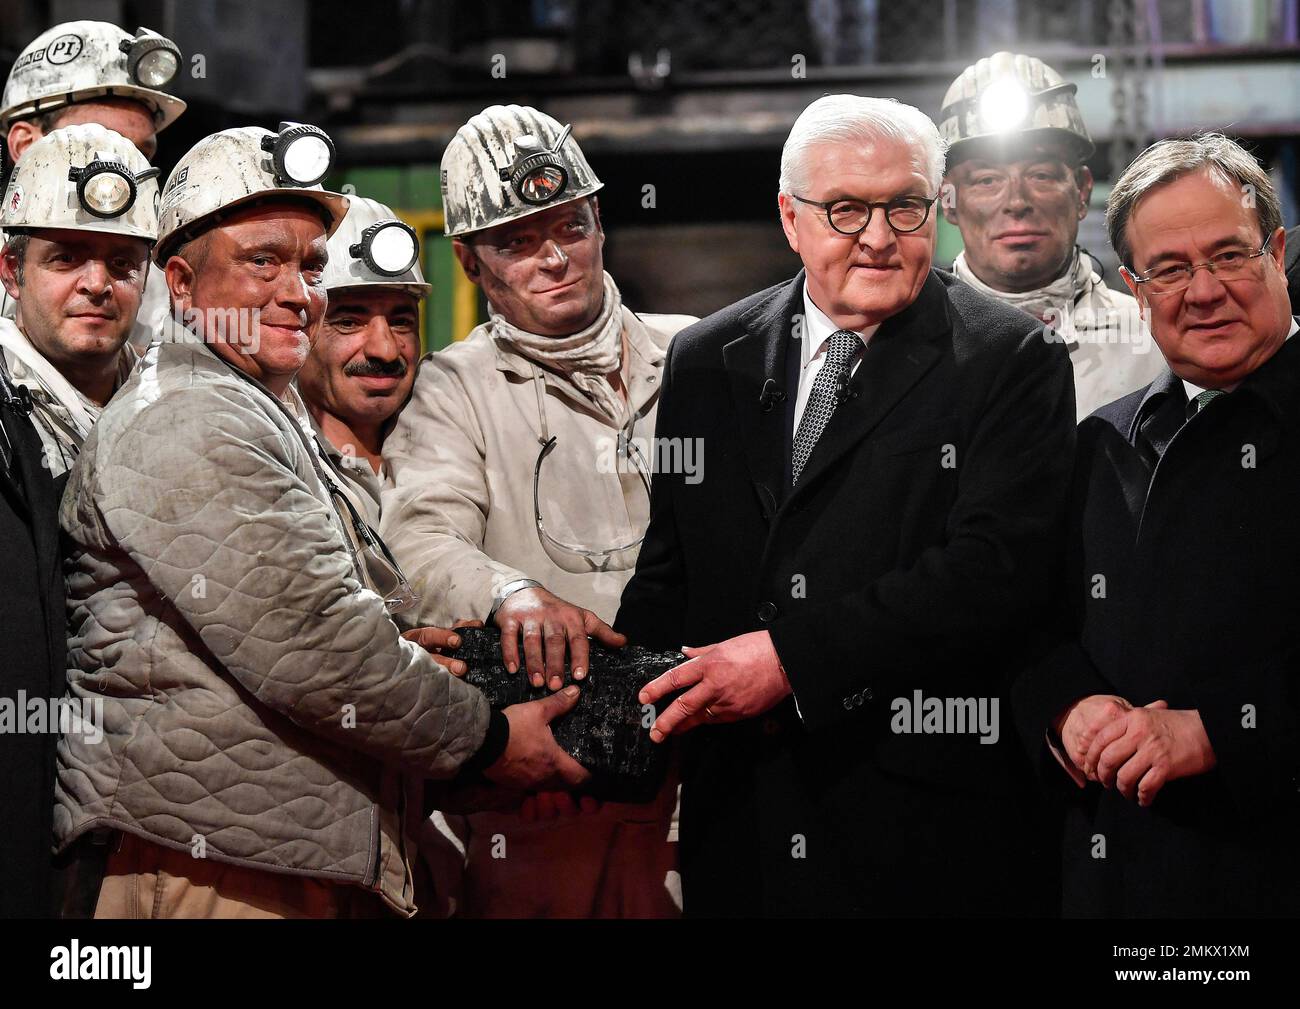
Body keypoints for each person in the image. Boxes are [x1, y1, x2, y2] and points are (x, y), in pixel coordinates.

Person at [54, 123, 591, 919]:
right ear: (182, 282)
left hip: (261, 859)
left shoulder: (251, 407)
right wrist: (489, 740)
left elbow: (314, 622)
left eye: (308, 266)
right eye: (262, 261)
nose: (296, 291)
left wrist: (404, 647)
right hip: (213, 873)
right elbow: (315, 644)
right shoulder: (189, 415)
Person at [615, 94, 1076, 917]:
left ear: (933, 210)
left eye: (902, 206)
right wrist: (603, 732)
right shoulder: (702, 357)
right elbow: (668, 576)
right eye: (845, 209)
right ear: (790, 218)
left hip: (925, 836)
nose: (876, 236)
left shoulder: (1013, 359)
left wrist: (788, 659)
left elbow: (993, 573)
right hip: (740, 826)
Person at [381, 104, 695, 917]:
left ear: (600, 221)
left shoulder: (699, 353)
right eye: (517, 242)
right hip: (543, 797)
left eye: (570, 227)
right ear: (470, 263)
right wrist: (509, 591)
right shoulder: (453, 388)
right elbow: (417, 540)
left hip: (700, 783)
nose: (555, 259)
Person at [1013, 133, 1300, 917]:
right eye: (1170, 269)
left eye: (1230, 256)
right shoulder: (1097, 441)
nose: (1202, 291)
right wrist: (1068, 709)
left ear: (1277, 251)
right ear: (1137, 292)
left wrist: (1220, 734)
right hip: (1116, 886)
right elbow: (1033, 626)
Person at [938, 51, 1164, 418]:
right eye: (987, 180)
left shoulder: (1152, 339)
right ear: (947, 201)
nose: (1016, 202)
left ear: (1082, 191)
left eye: (1041, 174)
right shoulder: (912, 345)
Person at [1, 21, 185, 352]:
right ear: (25, 145)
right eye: (95, 144)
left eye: (141, 153)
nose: (125, 166)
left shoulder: (156, 276)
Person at [0, 124, 158, 478]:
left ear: (146, 278)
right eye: (66, 259)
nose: (97, 284)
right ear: (12, 271)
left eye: (122, 263)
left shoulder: (175, 398)